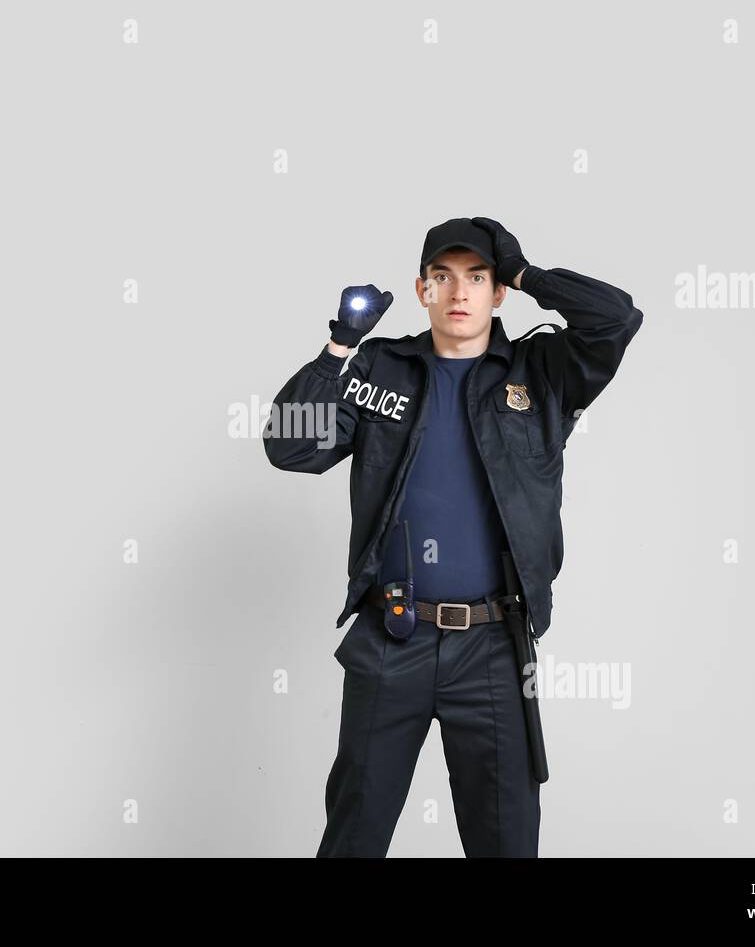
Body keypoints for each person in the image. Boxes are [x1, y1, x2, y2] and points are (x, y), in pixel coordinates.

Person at [263, 216, 644, 857]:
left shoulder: (542, 370)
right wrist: (337, 350)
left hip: (495, 649)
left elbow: (618, 318)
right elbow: (289, 445)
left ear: (498, 293)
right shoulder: (381, 369)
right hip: (391, 639)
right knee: (353, 837)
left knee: (507, 844)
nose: (459, 293)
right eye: (443, 278)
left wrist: (527, 273)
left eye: (477, 277)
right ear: (422, 291)